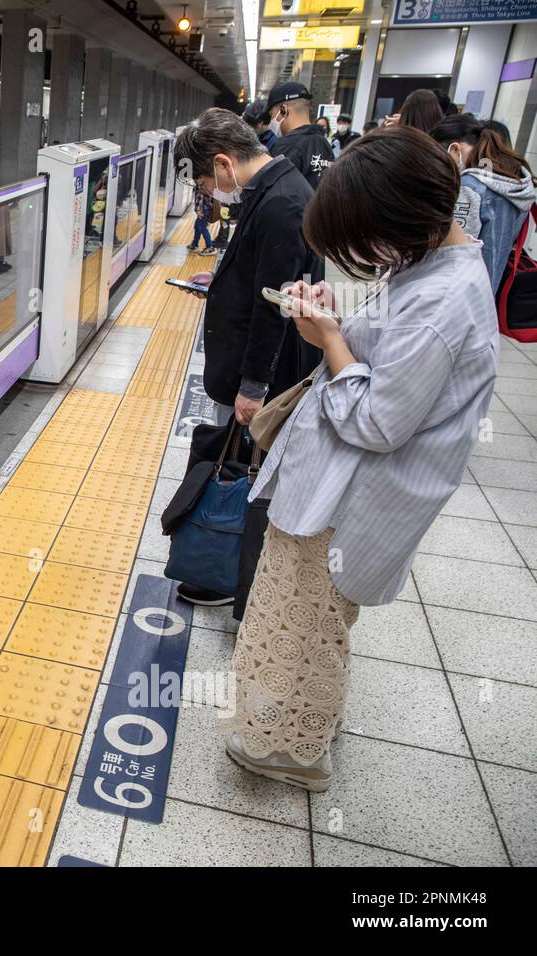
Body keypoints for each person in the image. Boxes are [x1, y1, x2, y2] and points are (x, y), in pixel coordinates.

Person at [227, 126, 497, 791]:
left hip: (349, 503)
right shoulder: (432, 267)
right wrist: (337, 319)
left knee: (307, 626)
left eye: (362, 241)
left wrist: (330, 342)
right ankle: (294, 728)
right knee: (302, 618)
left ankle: (293, 751)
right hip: (339, 491)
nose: (363, 258)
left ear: (399, 219)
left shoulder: (440, 302)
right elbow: (389, 354)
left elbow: (379, 421)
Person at [172, 108, 323, 606]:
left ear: (223, 164)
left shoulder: (281, 204)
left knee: (244, 475)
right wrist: (219, 284)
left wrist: (253, 387)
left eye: (205, 182)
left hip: (265, 375)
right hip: (254, 368)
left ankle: (228, 573)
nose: (211, 192)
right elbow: (259, 277)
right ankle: (227, 569)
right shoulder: (275, 189)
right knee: (241, 467)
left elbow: (273, 307)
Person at [430, 113, 536, 294]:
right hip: (489, 288)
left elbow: (453, 254)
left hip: (461, 292)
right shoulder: (513, 180)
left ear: (454, 149)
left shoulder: (471, 187)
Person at [264, 81, 334, 189]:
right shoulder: (324, 143)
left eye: (271, 114)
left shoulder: (286, 147)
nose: (271, 121)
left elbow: (276, 192)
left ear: (283, 110)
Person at [188, 182, 216, 255]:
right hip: (207, 207)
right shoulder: (209, 181)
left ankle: (210, 247)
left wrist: (198, 210)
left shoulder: (201, 182)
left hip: (204, 209)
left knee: (203, 228)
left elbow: (199, 196)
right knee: (198, 226)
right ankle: (194, 244)